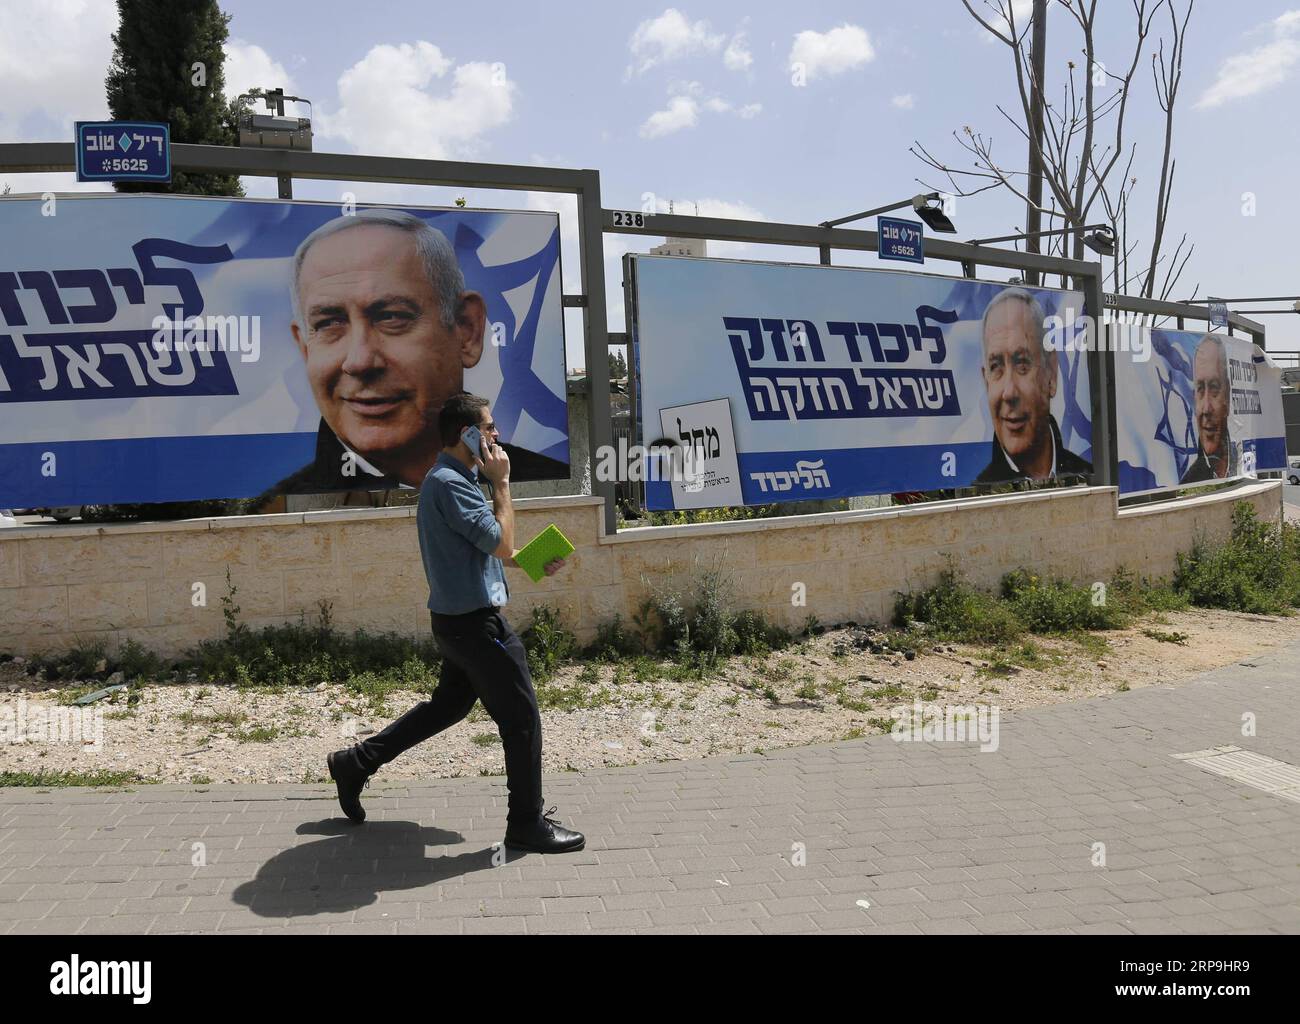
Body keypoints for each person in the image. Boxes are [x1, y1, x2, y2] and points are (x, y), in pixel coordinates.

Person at [326, 392, 584, 854]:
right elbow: (500, 544)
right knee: (522, 719)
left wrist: (530, 559)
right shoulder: (451, 483)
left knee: (446, 708)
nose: (496, 435)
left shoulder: (453, 480)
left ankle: (355, 763)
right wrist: (502, 484)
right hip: (476, 628)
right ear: (467, 434)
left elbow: (484, 551)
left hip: (458, 623)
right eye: (488, 427)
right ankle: (525, 823)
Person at [265, 209, 567, 497]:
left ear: (467, 330)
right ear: (305, 348)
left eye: (391, 317)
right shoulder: (275, 504)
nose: (359, 361)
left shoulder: (535, 470)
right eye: (329, 323)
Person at [974, 288, 1093, 484]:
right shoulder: (979, 492)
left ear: (1051, 373)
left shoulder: (1085, 474)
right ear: (986, 381)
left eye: (1022, 364)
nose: (1009, 392)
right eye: (996, 367)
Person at [1179, 334, 1238, 484]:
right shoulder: (1189, 483)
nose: (1206, 409)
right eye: (1200, 389)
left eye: (1214, 388)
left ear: (1227, 395)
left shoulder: (1241, 458)